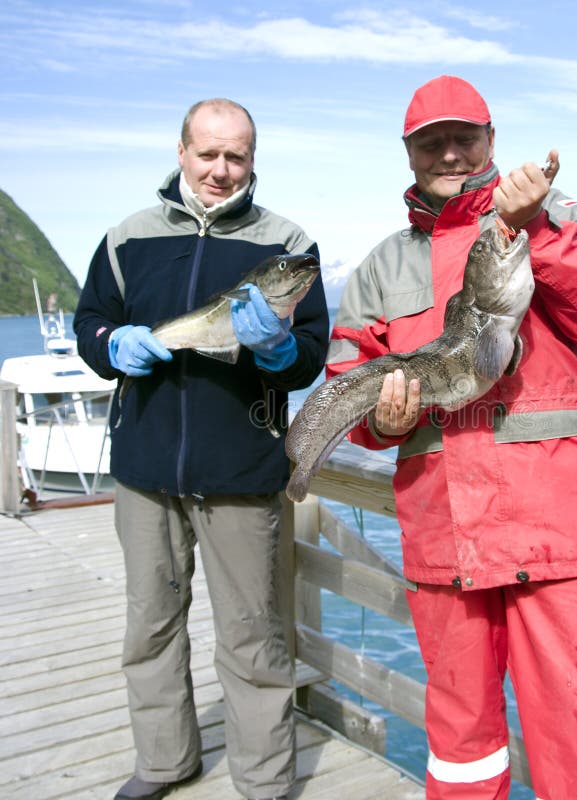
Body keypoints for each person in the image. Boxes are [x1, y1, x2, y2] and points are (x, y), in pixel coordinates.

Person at [326, 75, 577, 799]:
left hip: (555, 536)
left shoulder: (557, 214)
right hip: (445, 540)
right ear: (407, 155)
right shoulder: (379, 265)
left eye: (463, 137)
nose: (449, 153)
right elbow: (350, 383)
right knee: (462, 753)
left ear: (492, 139)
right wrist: (383, 421)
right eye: (430, 142)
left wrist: (531, 225)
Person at [74, 98, 329, 800]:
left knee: (254, 636)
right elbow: (91, 321)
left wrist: (278, 349)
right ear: (182, 151)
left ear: (253, 160)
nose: (221, 170)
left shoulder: (287, 243)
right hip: (143, 471)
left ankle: (266, 780)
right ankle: (162, 762)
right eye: (208, 154)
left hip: (241, 470)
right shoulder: (128, 238)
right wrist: (109, 346)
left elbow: (309, 357)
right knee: (150, 627)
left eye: (236, 156)